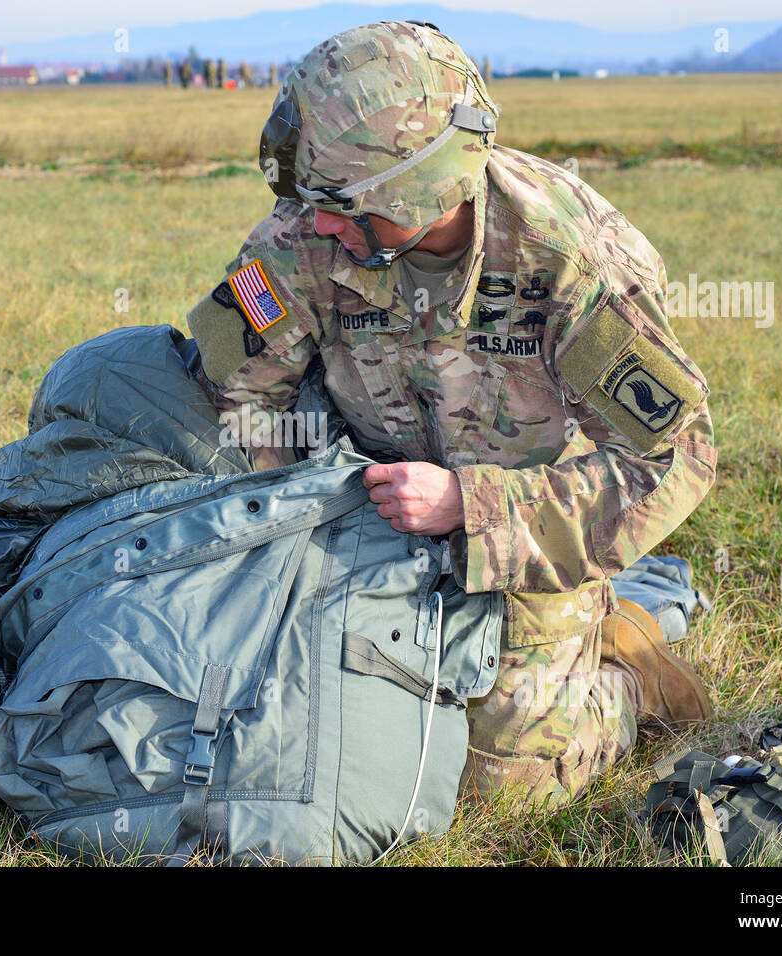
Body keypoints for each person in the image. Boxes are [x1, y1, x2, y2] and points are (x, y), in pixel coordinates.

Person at [186, 19, 716, 807]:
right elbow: (237, 389)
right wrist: (286, 523)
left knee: (501, 786)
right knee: (329, 734)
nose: (318, 225)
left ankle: (625, 669)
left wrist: (468, 507)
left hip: (532, 531)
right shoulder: (305, 233)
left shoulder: (567, 258)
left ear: (419, 190)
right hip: (363, 512)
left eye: (343, 208)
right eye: (310, 203)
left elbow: (673, 461)